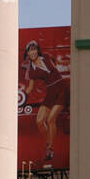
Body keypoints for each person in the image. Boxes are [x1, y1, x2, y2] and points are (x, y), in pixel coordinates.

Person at [21, 39, 69, 167]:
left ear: (38, 50)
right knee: (39, 121)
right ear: (27, 53)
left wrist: (71, 62)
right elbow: (30, 88)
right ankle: (49, 142)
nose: (33, 52)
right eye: (30, 50)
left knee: (50, 120)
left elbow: (59, 62)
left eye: (34, 49)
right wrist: (19, 94)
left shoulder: (47, 56)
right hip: (51, 92)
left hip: (62, 88)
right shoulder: (31, 71)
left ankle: (50, 148)